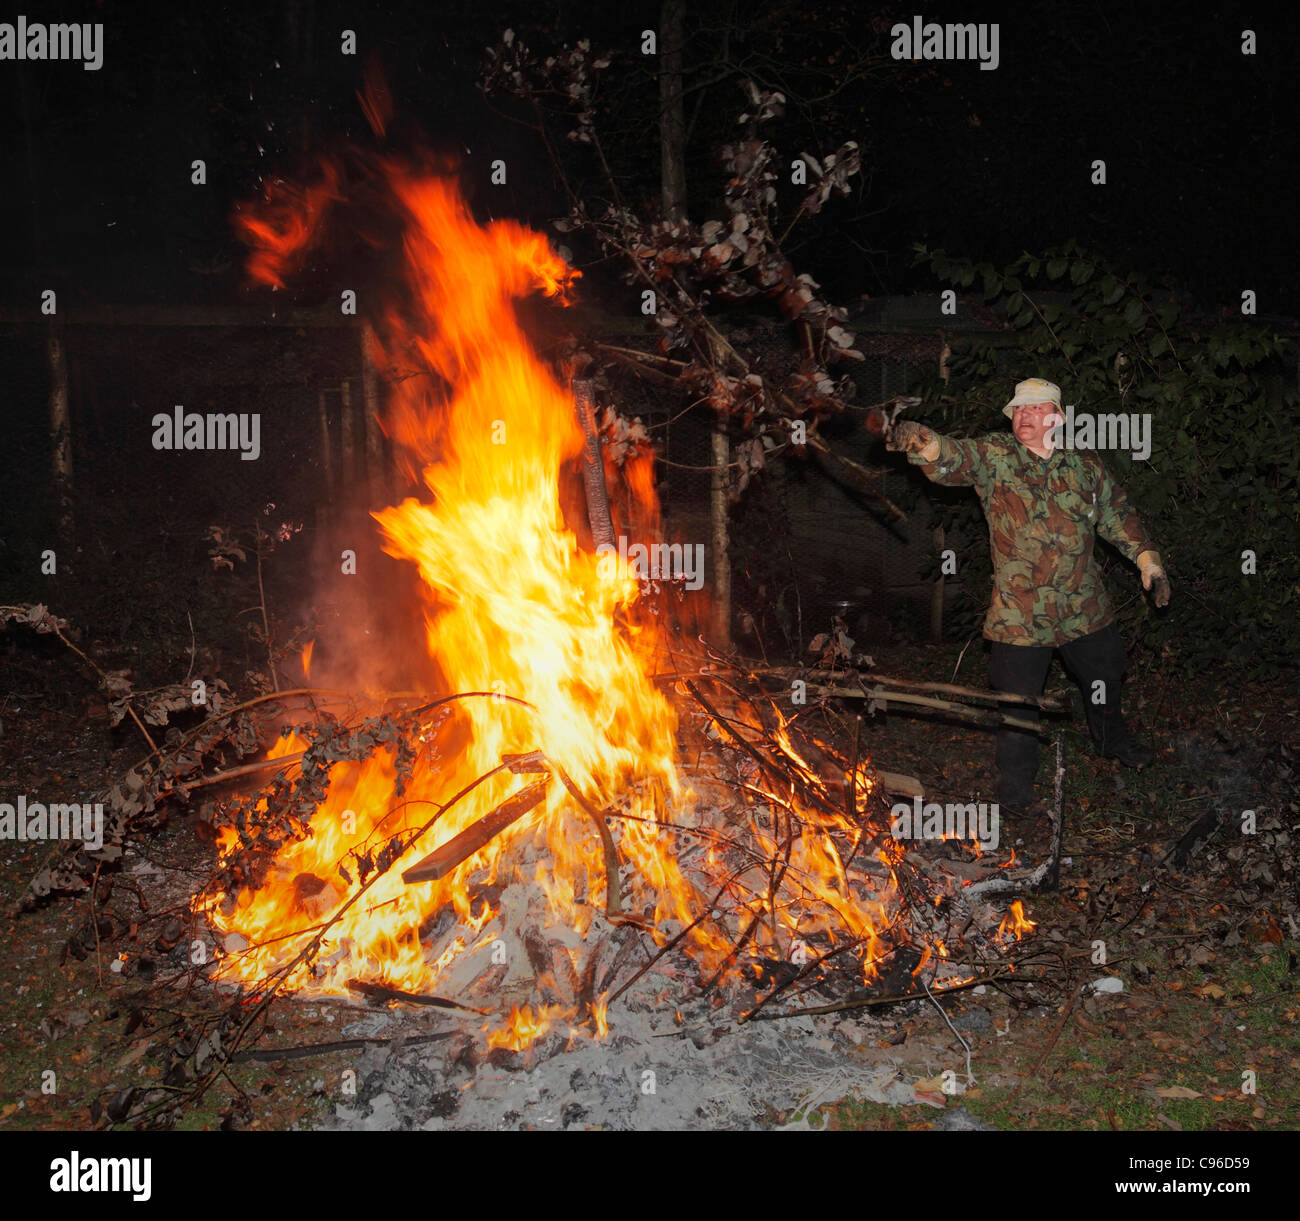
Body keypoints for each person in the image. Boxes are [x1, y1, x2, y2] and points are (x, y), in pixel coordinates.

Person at [886, 377, 1170, 812]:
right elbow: (954, 458)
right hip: (1019, 616)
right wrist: (922, 441)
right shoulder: (997, 456)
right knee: (1017, 703)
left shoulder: (1084, 465)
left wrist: (1149, 561)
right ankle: (1016, 792)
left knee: (1104, 680)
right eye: (1019, 409)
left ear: (1056, 416)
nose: (1023, 416)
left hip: (1083, 607)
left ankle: (1113, 743)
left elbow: (1117, 516)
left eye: (1034, 409)